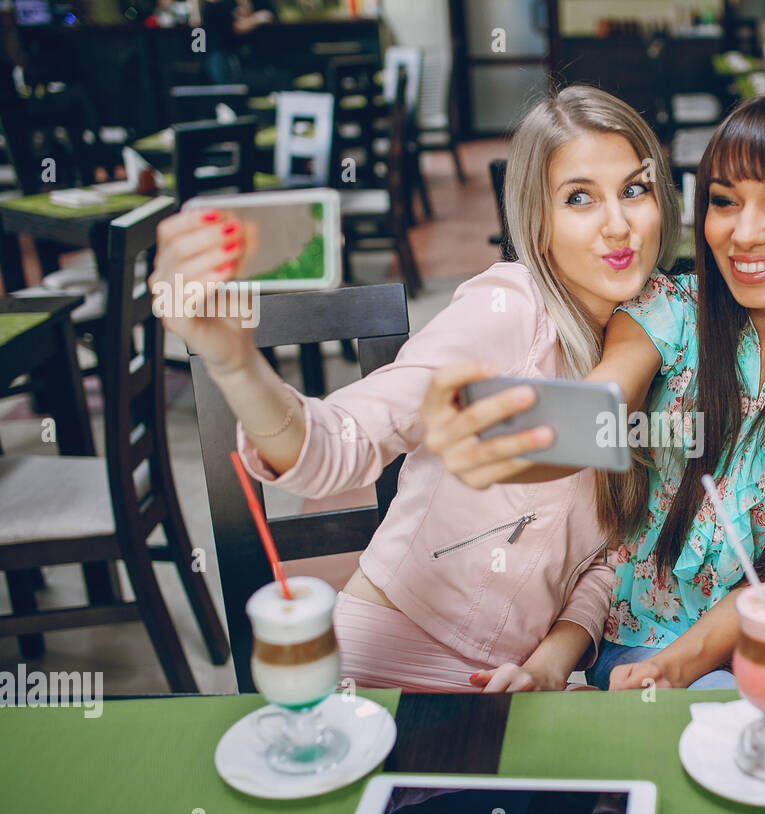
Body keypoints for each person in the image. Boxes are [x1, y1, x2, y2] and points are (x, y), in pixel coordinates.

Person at [150, 85, 680, 693]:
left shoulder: (666, 335)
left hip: (512, 684)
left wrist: (548, 664)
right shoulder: (510, 308)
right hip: (388, 653)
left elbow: (612, 562)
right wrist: (236, 363)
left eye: (633, 190)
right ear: (537, 222)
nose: (618, 226)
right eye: (579, 197)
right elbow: (336, 448)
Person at [451, 92, 765, 690]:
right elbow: (606, 398)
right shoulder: (670, 308)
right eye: (724, 202)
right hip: (632, 645)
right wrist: (513, 431)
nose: (744, 234)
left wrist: (676, 667)